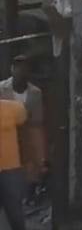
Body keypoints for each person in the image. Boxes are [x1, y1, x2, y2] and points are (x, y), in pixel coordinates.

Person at [0, 57, 42, 197]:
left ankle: (25, 194)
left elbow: (37, 119)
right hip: (6, 136)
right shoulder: (1, 89)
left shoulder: (35, 93)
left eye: (24, 68)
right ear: (12, 69)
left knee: (26, 168)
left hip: (26, 136)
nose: (20, 71)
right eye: (17, 68)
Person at [1, 93, 25, 230]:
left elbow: (25, 121)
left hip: (10, 170)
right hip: (10, 171)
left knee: (15, 213)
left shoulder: (13, 108)